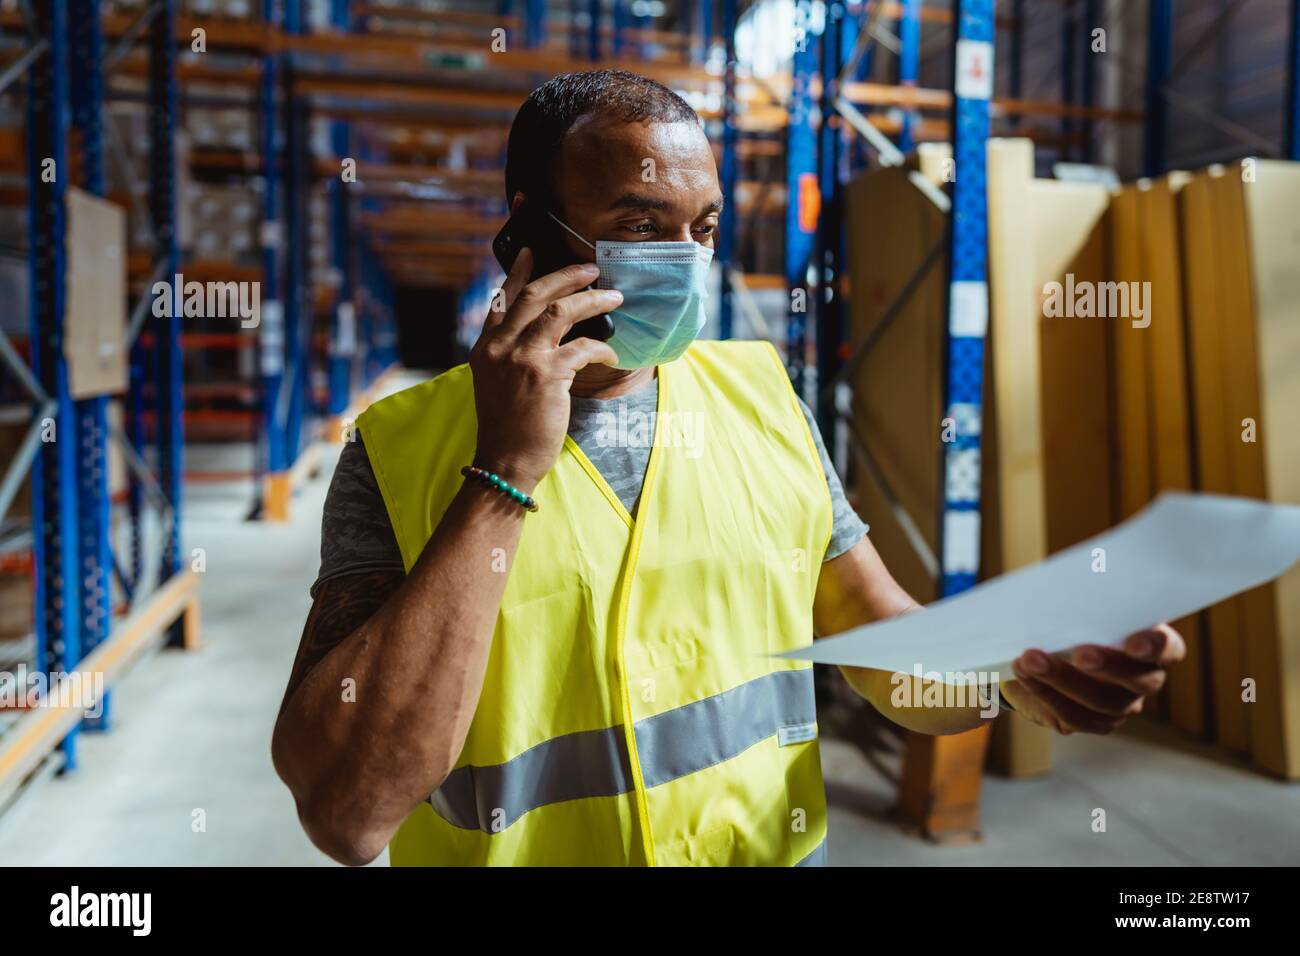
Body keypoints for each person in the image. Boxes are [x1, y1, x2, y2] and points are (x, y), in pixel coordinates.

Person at [271, 69, 1184, 867]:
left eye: (701, 227)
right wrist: (504, 476)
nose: (683, 259)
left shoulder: (762, 396)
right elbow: (350, 813)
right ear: (526, 233)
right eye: (640, 224)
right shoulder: (398, 448)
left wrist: (1011, 671)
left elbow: (877, 642)